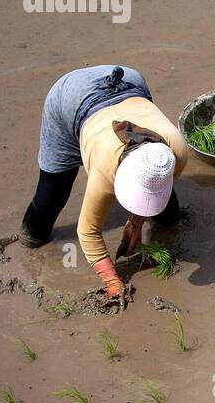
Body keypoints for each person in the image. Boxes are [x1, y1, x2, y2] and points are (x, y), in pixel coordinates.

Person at [20, 65, 188, 305]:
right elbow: (87, 232)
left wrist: (136, 221)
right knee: (51, 199)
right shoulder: (105, 170)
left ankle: (160, 218)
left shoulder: (176, 152)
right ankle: (30, 235)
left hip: (128, 82)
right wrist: (112, 280)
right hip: (70, 100)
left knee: (168, 216)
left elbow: (159, 183)